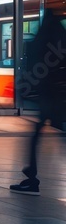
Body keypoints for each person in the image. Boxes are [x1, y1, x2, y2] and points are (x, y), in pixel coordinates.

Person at [10, 11, 66, 195]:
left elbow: (39, 61)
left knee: (38, 136)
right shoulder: (56, 29)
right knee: (45, 135)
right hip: (54, 96)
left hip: (51, 96)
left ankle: (31, 179)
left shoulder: (50, 29)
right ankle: (31, 177)